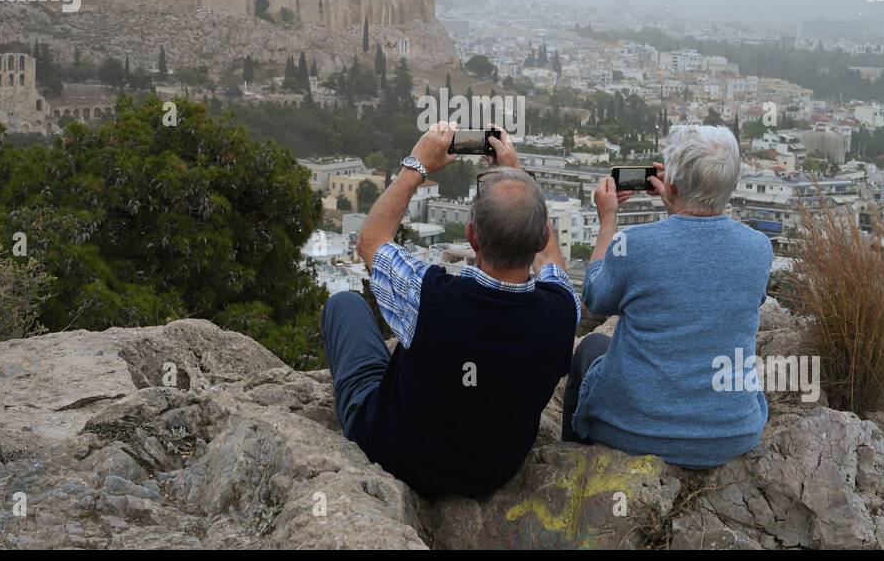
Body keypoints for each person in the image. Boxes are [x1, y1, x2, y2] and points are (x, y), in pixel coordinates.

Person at [322, 122, 580, 497]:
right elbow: (552, 263)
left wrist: (416, 166)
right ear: (542, 235)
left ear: (472, 237)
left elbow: (370, 241)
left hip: (394, 455)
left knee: (345, 305)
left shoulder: (429, 295)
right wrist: (516, 176)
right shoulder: (561, 311)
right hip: (491, 472)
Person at [562, 124, 772, 468]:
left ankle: (574, 460)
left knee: (591, 348)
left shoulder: (638, 246)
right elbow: (703, 269)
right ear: (731, 186)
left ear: (670, 186)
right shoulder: (758, 249)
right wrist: (680, 207)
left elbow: (595, 298)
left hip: (632, 433)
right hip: (730, 435)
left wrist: (607, 221)